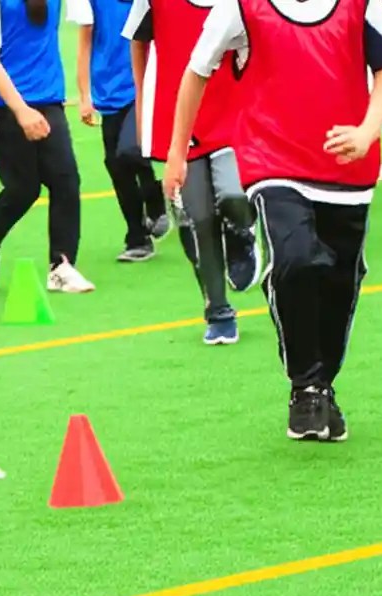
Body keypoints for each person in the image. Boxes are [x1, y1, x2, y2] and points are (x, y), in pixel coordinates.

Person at [164, 0, 382, 441]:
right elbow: (196, 71)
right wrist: (177, 152)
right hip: (272, 159)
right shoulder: (240, 8)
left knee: (340, 279)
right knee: (296, 259)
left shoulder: (361, 5)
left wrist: (368, 130)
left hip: (347, 165)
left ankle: (322, 386)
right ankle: (305, 385)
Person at [123, 0, 262, 344]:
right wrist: (143, 104)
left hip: (237, 110)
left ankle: (242, 232)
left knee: (233, 193)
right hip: (180, 114)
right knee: (198, 217)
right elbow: (139, 42)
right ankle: (218, 311)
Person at [0, 0, 95, 293]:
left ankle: (61, 265)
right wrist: (21, 110)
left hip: (47, 94)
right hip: (2, 100)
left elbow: (88, 18)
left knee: (66, 180)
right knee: (24, 188)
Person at [68, 0, 169, 263]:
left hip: (142, 84)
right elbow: (85, 43)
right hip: (107, 89)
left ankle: (156, 199)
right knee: (115, 163)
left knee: (131, 151)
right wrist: (84, 95)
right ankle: (137, 237)